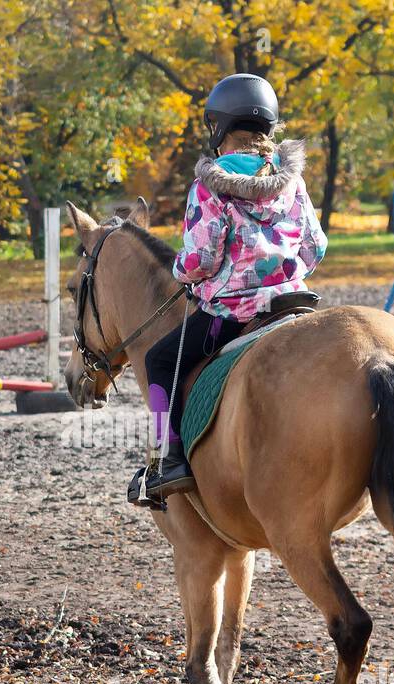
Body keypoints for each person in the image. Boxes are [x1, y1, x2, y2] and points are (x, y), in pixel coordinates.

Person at [138, 72, 327, 502]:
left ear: (220, 128)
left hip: (230, 315)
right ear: (268, 128)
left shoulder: (210, 185)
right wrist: (281, 271)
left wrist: (181, 270)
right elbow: (315, 248)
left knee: (159, 360)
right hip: (291, 304)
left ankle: (165, 459)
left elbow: (202, 258)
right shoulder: (291, 180)